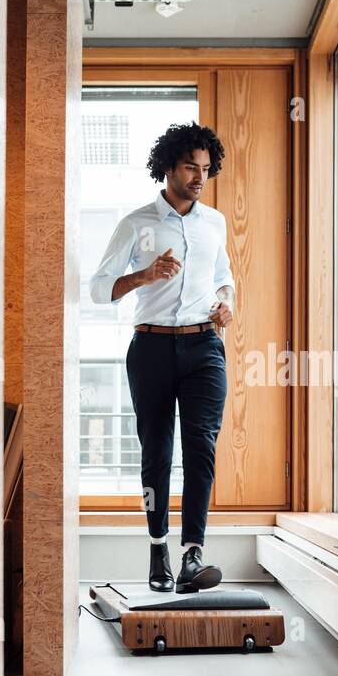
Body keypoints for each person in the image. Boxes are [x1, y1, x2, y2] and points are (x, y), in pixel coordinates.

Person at [87, 123, 235, 593]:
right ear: (168, 166)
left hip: (204, 347)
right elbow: (97, 289)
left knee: (201, 450)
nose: (199, 177)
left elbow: (224, 277)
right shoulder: (135, 224)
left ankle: (193, 555)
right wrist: (143, 275)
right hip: (150, 348)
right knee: (157, 452)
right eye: (191, 166)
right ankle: (158, 549)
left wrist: (227, 301)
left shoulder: (215, 222)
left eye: (206, 169)